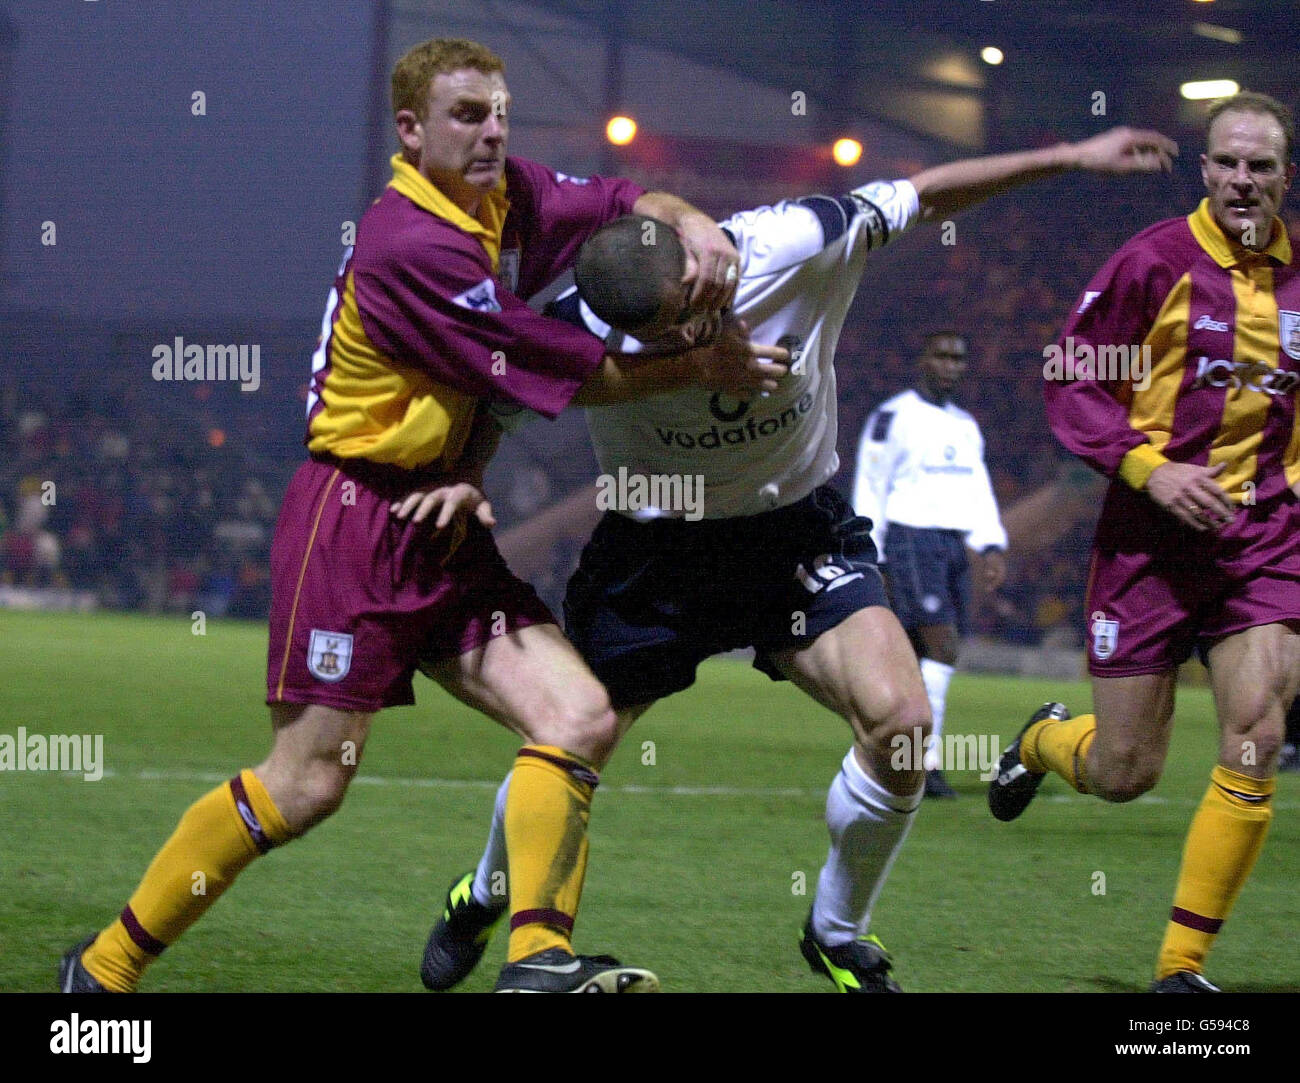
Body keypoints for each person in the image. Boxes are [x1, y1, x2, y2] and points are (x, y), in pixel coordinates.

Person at [56, 36, 786, 995]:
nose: (491, 132)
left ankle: (535, 960)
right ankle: (103, 969)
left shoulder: (504, 193)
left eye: (498, 112)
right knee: (308, 782)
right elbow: (563, 367)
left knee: (578, 714)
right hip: (353, 520)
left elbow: (616, 201)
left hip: (441, 516)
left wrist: (694, 223)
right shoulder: (412, 242)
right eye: (465, 115)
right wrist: (701, 364)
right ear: (410, 130)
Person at [411, 125, 1181, 992]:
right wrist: (468, 478)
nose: (674, 351)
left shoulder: (791, 241)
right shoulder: (574, 325)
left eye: (679, 329)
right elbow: (494, 400)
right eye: (651, 344)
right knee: (567, 737)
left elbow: (927, 194)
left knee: (901, 721)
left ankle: (836, 930)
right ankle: (486, 891)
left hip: (795, 533)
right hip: (652, 553)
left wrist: (1067, 155)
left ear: (698, 272)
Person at [988, 91, 1299, 993]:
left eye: (1262, 166)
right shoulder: (1151, 263)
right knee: (1125, 771)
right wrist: (1148, 467)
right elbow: (1074, 383)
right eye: (1229, 163)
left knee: (1256, 732)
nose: (1244, 181)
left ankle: (1181, 968)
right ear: (1206, 169)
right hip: (1148, 546)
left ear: (1287, 177)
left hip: (1267, 542)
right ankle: (1046, 742)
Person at [854, 333, 1008, 798]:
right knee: (942, 648)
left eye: (958, 359)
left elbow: (976, 487)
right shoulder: (893, 416)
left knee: (921, 655)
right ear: (922, 359)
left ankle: (894, 755)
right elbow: (871, 483)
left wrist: (991, 543)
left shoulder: (965, 425)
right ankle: (927, 765)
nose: (950, 366)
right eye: (941, 356)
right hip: (909, 541)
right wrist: (872, 551)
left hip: (953, 547)